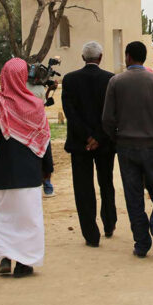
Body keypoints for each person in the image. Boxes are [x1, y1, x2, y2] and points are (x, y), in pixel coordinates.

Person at [0, 58, 54, 278]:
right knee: (28, 218)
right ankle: (25, 262)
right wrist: (47, 169)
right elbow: (44, 139)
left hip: (2, 173)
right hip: (29, 173)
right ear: (23, 77)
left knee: (4, 216)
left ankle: (5, 258)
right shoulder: (34, 105)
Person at [102, 41, 153, 258]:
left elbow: (107, 118)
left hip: (126, 147)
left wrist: (116, 137)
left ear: (127, 57)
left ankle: (141, 244)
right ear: (144, 57)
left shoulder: (116, 82)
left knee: (133, 196)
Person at [60, 41, 116, 248]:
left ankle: (91, 234)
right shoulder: (110, 79)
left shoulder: (70, 80)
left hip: (79, 144)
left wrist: (86, 137)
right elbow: (111, 114)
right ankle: (109, 223)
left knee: (83, 188)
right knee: (106, 183)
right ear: (100, 57)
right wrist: (99, 137)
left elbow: (70, 113)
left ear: (83, 58)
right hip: (105, 144)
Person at [25, 67, 58, 198]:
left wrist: (48, 89)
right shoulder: (39, 89)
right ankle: (47, 185)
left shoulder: (21, 86)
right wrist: (49, 89)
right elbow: (42, 104)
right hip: (40, 127)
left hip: (25, 127)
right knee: (45, 155)